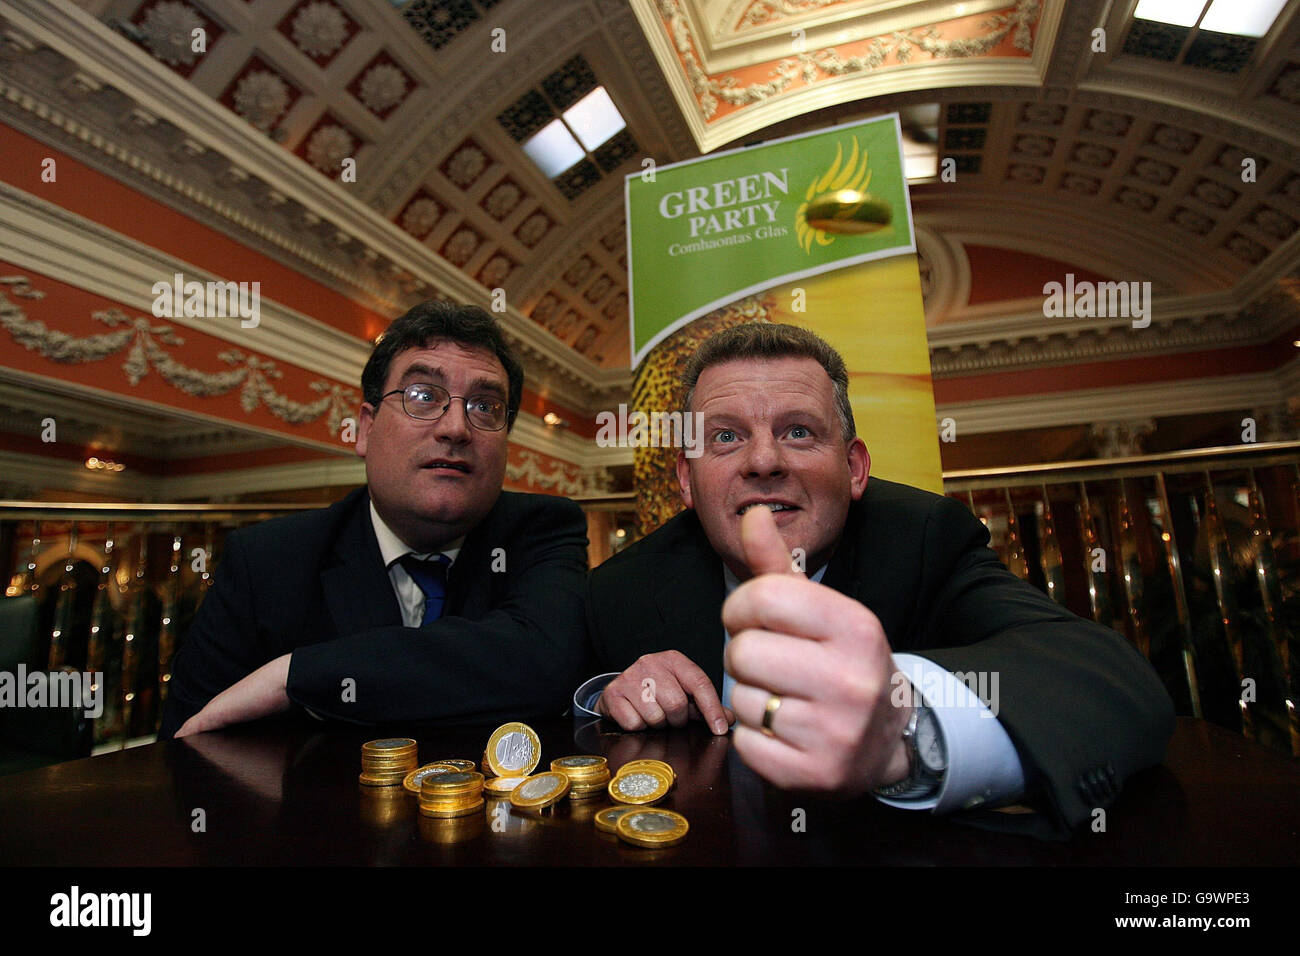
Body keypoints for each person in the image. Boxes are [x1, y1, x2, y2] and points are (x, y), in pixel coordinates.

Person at [577, 323, 1174, 837]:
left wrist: (906, 729)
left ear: (855, 467)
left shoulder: (925, 540)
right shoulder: (623, 586)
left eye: (799, 432)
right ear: (685, 479)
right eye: (727, 437)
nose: (763, 461)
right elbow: (556, 700)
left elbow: (1109, 680)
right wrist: (606, 693)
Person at [160, 302, 589, 739]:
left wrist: (296, 675)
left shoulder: (542, 530)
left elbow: (544, 663)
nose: (457, 427)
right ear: (366, 428)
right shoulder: (268, 561)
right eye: (424, 396)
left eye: (486, 406)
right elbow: (189, 742)